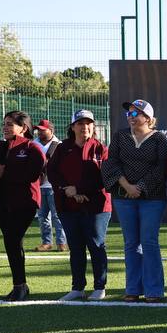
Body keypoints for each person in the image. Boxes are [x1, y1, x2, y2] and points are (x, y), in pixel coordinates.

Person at [101, 99, 167, 303]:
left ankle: (154, 291)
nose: (130, 117)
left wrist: (139, 187)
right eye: (128, 114)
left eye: (135, 114)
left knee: (149, 242)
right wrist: (126, 186)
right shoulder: (120, 136)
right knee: (131, 243)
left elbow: (161, 168)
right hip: (124, 198)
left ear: (148, 118)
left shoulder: (159, 138)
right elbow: (111, 162)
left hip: (153, 198)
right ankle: (132, 289)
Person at [0, 110, 47, 301]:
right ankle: (20, 285)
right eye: (4, 124)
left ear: (23, 127)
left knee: (12, 239)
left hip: (24, 201)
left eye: (10, 124)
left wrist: (6, 173)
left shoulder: (32, 148)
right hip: (1, 201)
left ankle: (20, 285)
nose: (5, 128)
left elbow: (33, 173)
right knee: (11, 242)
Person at [47, 109, 111, 301]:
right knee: (76, 247)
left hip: (96, 207)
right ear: (73, 127)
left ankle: (100, 287)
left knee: (96, 245)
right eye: (80, 123)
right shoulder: (62, 148)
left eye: (89, 123)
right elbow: (52, 172)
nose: (85, 127)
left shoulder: (101, 149)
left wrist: (80, 189)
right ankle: (77, 288)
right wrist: (67, 189)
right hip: (68, 206)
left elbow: (104, 177)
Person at [32, 119, 66, 252]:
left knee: (57, 215)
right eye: (38, 130)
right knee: (42, 216)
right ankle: (46, 242)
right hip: (38, 186)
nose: (39, 132)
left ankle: (61, 242)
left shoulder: (59, 145)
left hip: (54, 186)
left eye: (42, 130)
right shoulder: (33, 144)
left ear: (51, 130)